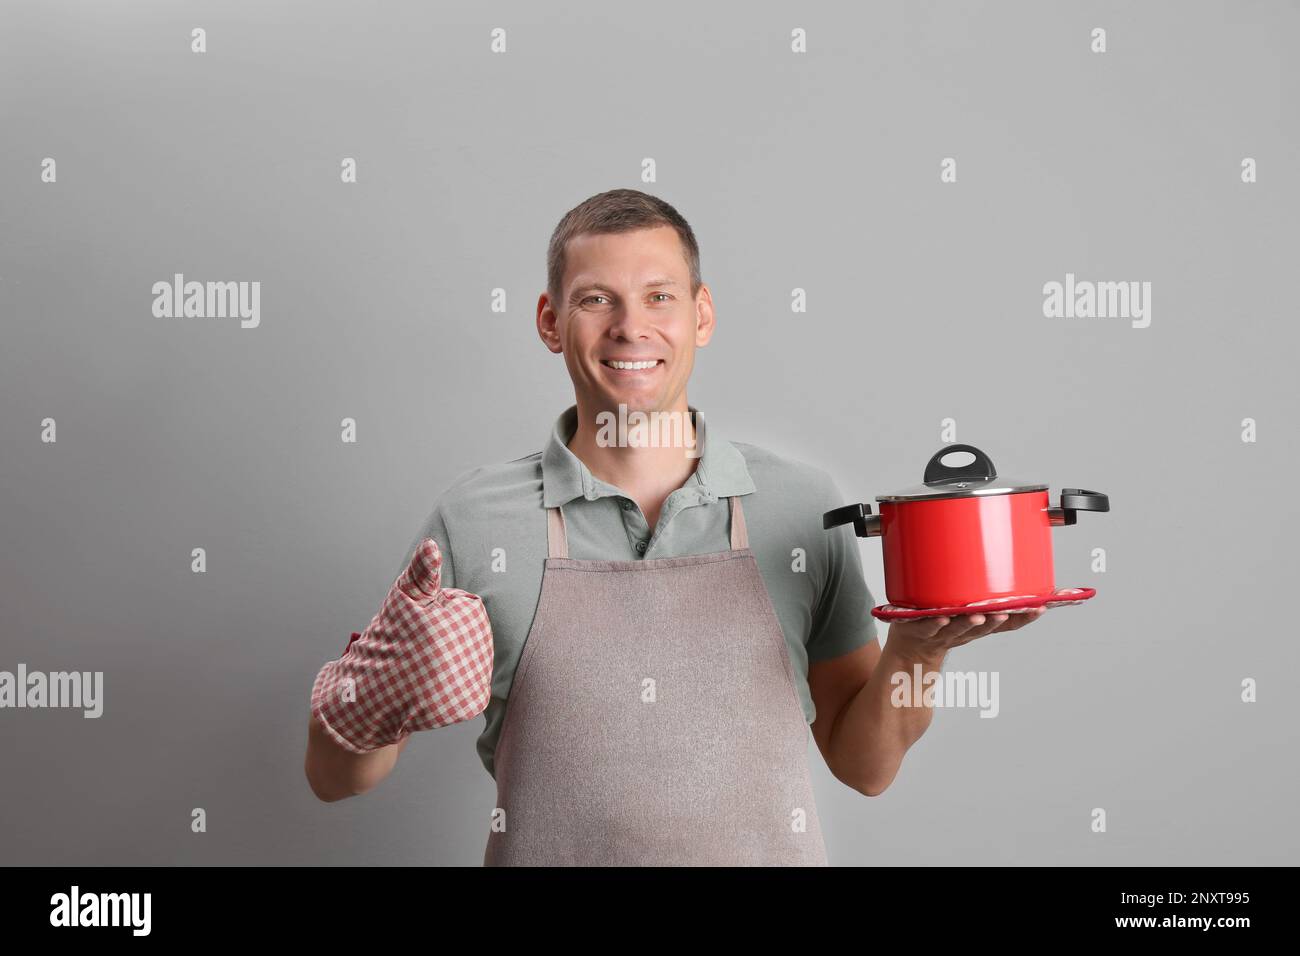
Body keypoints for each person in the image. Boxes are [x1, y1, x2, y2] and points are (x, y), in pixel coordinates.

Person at [303, 188, 1044, 865]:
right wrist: (373, 704)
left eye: (659, 296)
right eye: (597, 299)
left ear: (702, 315)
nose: (632, 328)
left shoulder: (799, 505)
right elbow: (331, 781)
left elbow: (866, 767)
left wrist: (918, 649)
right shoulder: (473, 520)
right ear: (550, 322)